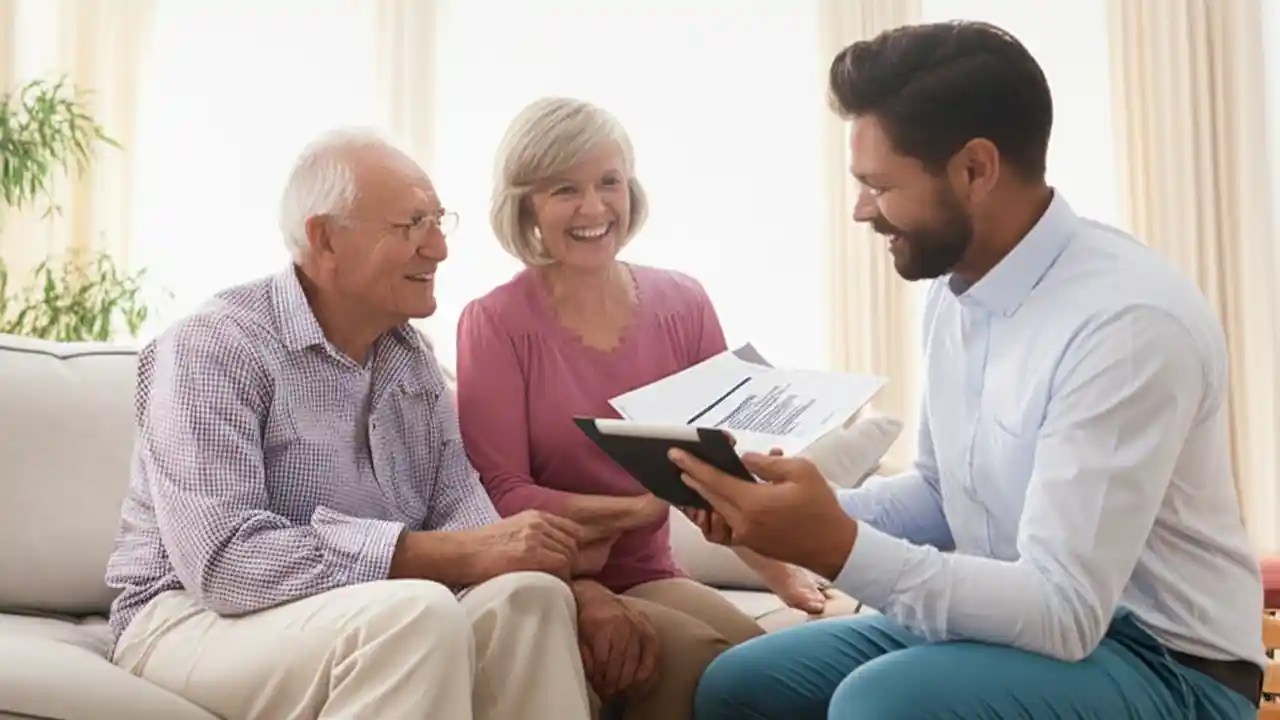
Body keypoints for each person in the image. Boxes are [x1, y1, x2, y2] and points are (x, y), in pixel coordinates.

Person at [676, 21, 1266, 720]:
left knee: (883, 704)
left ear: (975, 169)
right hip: (1018, 632)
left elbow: (1065, 611)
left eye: (879, 185)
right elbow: (938, 496)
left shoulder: (1126, 324)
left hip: (1163, 663)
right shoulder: (956, 293)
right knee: (740, 686)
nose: (862, 209)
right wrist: (777, 509)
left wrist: (833, 544)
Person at [103, 129, 595, 720]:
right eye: (412, 225)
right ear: (324, 239)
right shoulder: (215, 347)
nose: (439, 249)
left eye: (440, 222)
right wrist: (430, 555)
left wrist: (552, 574)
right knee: (415, 616)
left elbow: (471, 529)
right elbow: (223, 564)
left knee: (529, 599)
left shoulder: (412, 361)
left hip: (364, 608)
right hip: (187, 617)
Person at [454, 97, 832, 720]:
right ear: (527, 205)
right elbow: (494, 491)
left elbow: (715, 468)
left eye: (609, 182)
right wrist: (635, 508)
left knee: (773, 675)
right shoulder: (494, 322)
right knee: (702, 664)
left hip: (651, 567)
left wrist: (784, 574)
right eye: (564, 190)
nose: (595, 208)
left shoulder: (682, 302)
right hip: (546, 580)